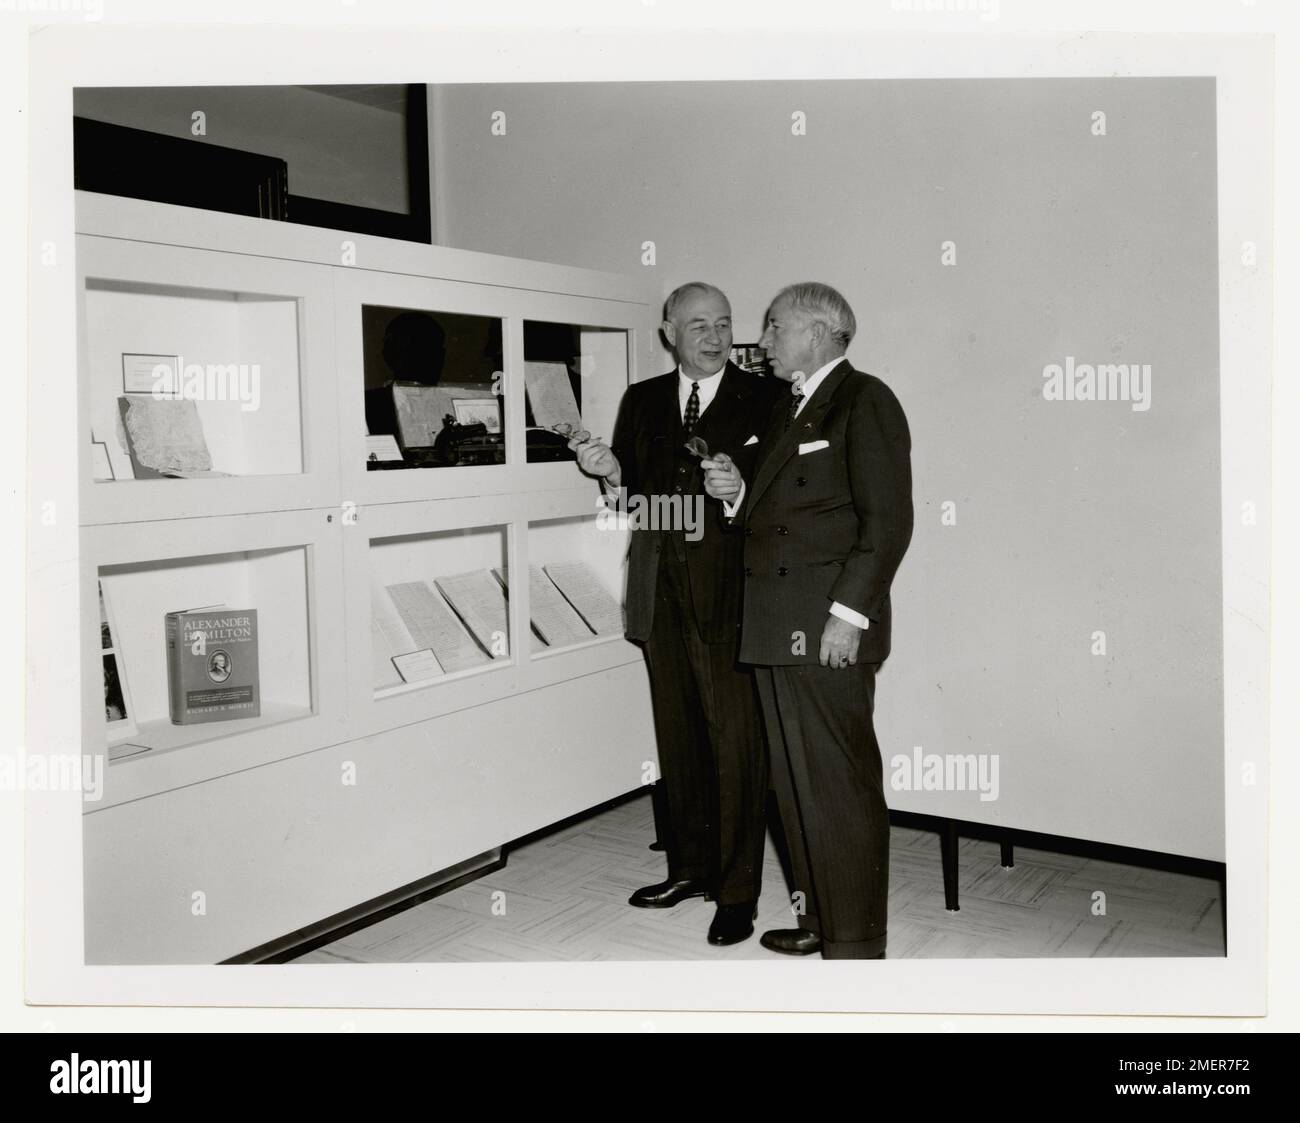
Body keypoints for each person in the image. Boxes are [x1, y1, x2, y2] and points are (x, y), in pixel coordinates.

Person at [704, 282, 913, 959]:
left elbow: (887, 524)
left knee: (838, 785)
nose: (761, 341)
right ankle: (820, 915)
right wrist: (737, 495)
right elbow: (778, 516)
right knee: (794, 785)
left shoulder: (864, 399)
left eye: (774, 327)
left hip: (825, 628)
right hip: (773, 627)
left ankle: (854, 939)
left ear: (823, 330)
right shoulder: (787, 407)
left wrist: (849, 616)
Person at [571, 282, 783, 946]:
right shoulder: (641, 400)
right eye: (699, 325)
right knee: (681, 738)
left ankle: (737, 892)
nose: (715, 336)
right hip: (661, 591)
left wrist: (738, 494)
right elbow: (632, 502)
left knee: (736, 743)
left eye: (723, 323)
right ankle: (690, 869)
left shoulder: (768, 399)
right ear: (668, 331)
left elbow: (786, 506)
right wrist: (609, 472)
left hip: (732, 594)